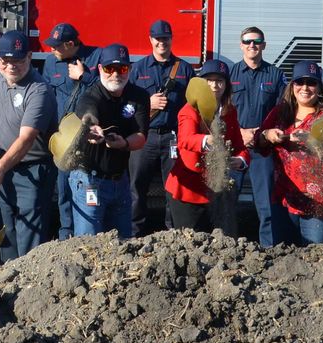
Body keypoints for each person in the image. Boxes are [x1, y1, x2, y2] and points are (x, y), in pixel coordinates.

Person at [0, 30, 57, 263]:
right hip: (3, 165)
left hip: (32, 170)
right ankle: (5, 274)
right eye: (5, 60)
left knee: (29, 234)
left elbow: (26, 139)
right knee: (6, 228)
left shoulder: (39, 90)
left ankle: (29, 278)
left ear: (29, 57)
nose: (10, 66)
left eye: (17, 60)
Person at [250, 61, 323, 246]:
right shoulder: (280, 112)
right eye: (300, 82)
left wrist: (313, 139)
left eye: (311, 83)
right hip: (284, 199)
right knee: (283, 254)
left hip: (317, 203)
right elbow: (258, 141)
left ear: (319, 87)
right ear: (292, 86)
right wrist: (268, 135)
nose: (305, 88)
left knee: (315, 255)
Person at [67, 44, 150, 239]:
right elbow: (88, 111)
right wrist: (92, 126)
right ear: (99, 69)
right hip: (90, 179)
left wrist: (124, 144)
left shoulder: (139, 97)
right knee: (89, 244)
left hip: (120, 181)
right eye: (109, 68)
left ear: (130, 69)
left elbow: (141, 137)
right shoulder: (91, 94)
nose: (115, 74)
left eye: (122, 68)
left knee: (123, 242)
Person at [128, 19, 196, 236]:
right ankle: (134, 234)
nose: (161, 42)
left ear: (171, 39)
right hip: (144, 137)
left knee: (175, 189)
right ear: (151, 39)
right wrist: (148, 103)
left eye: (165, 38)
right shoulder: (138, 69)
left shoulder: (184, 69)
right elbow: (127, 106)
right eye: (157, 38)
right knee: (137, 187)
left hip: (174, 137)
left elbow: (194, 104)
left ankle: (173, 233)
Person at [165, 58, 247, 235]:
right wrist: (206, 140)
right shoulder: (189, 110)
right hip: (189, 191)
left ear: (226, 85)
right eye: (209, 80)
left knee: (220, 240)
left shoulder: (230, 111)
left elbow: (240, 146)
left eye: (219, 81)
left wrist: (240, 160)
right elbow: (185, 140)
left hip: (217, 192)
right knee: (190, 241)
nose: (214, 85)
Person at [41, 22, 98, 240]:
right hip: (64, 138)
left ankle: (90, 232)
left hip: (89, 138)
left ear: (71, 44)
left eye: (57, 45)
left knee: (89, 186)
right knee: (63, 187)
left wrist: (85, 76)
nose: (51, 49)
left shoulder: (96, 57)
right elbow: (46, 96)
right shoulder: (50, 63)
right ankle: (66, 233)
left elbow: (107, 89)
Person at [230, 26, 285, 246]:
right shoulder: (230, 74)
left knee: (266, 205)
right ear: (241, 45)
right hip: (235, 146)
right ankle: (225, 248)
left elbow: (282, 112)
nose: (252, 45)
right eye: (247, 41)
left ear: (264, 45)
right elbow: (218, 111)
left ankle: (269, 250)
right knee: (226, 202)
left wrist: (262, 134)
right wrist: (240, 132)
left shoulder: (275, 75)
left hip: (263, 149)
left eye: (256, 41)